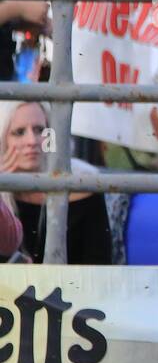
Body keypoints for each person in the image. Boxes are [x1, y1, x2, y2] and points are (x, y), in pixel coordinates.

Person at [0, 100, 111, 264]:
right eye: (19, 132)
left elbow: (98, 262)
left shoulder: (83, 183)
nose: (32, 141)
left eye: (40, 130)